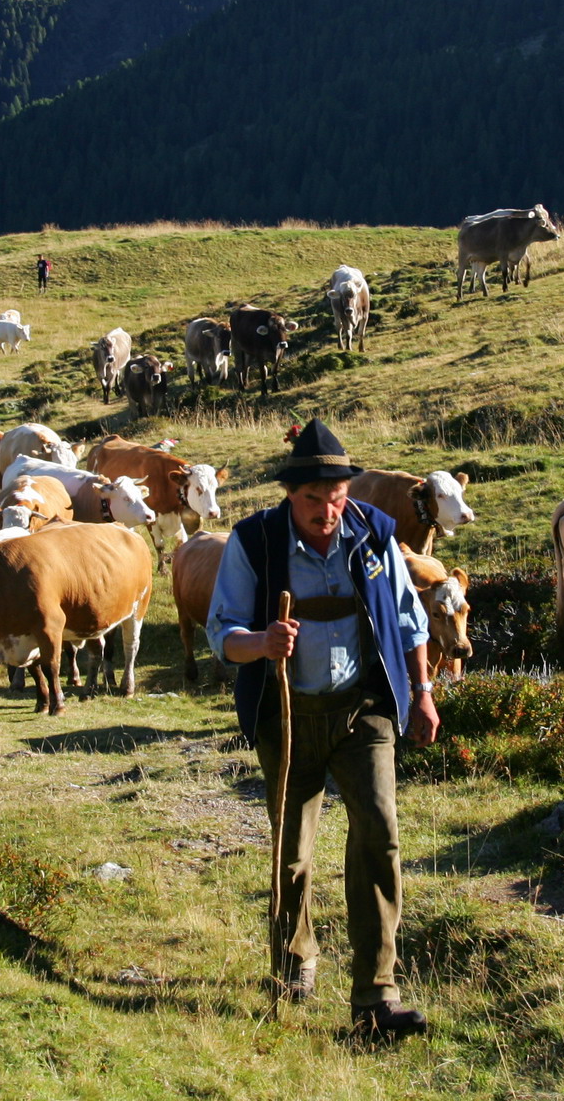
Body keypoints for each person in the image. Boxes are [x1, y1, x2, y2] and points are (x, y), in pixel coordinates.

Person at [207, 419, 438, 1040]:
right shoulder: (254, 542)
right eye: (314, 501)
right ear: (290, 494)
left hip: (363, 711)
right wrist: (260, 641)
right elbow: (220, 631)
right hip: (285, 716)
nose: (327, 513)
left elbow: (409, 621)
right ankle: (295, 961)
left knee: (380, 838)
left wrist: (423, 693)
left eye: (336, 500)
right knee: (291, 852)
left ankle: (376, 996)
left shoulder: (373, 534)